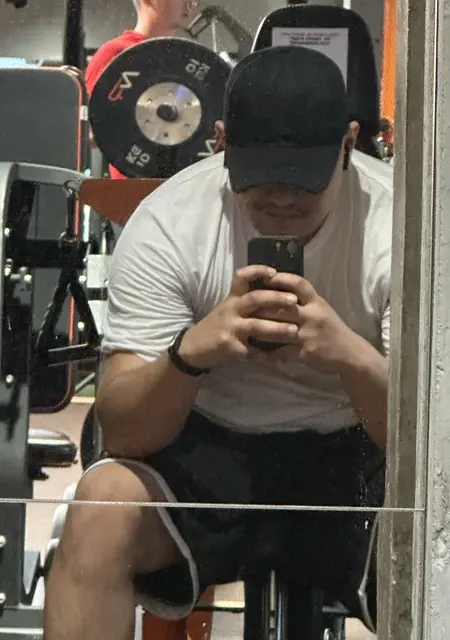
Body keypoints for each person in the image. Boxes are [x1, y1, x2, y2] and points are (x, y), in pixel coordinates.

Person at [44, 46, 391, 639]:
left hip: (354, 450)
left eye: (303, 179)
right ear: (222, 141)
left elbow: (431, 441)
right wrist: (189, 356)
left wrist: (350, 356)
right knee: (99, 511)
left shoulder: (400, 227)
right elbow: (123, 430)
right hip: (208, 447)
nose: (282, 197)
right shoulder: (170, 223)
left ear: (348, 143)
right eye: (261, 177)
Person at [85, 0, 197, 179]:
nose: (192, 2)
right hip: (134, 191)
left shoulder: (185, 61)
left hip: (183, 188)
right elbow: (91, 133)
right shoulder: (115, 54)